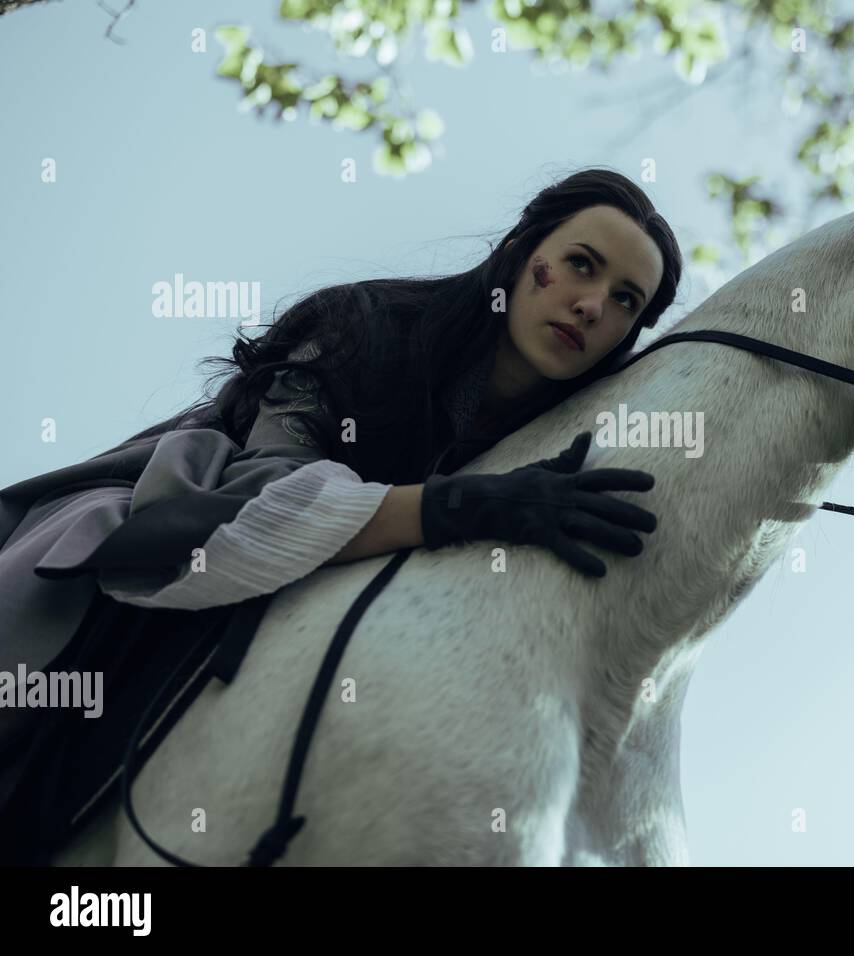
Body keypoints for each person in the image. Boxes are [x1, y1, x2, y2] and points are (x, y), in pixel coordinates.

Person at [0, 168, 683, 861]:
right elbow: (266, 499)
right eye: (579, 265)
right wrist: (457, 506)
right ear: (518, 252)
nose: (593, 305)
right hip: (150, 540)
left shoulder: (558, 447)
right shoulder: (361, 325)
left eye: (625, 299)